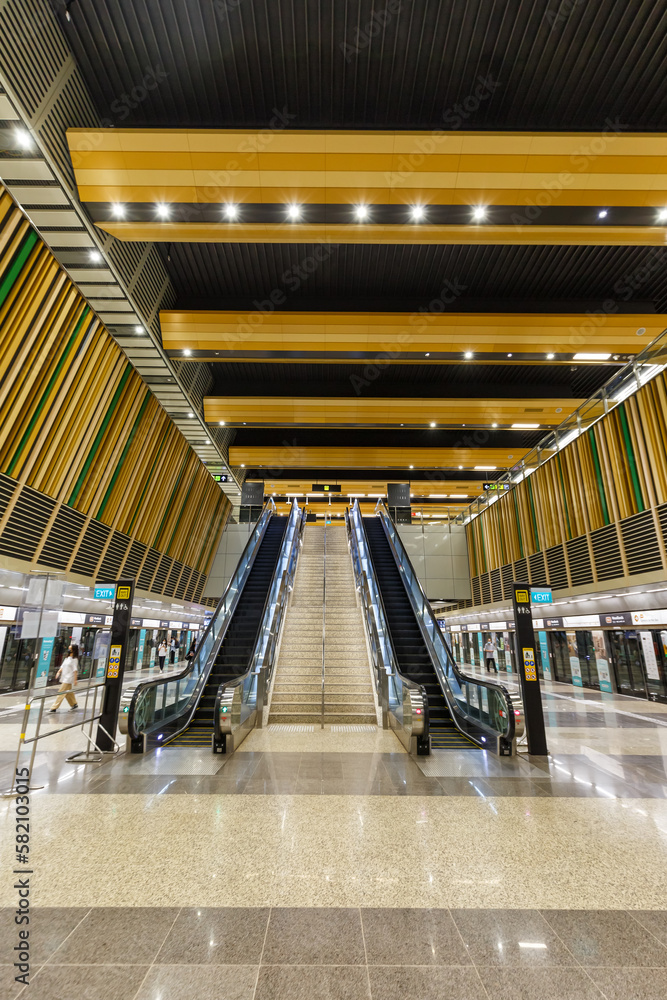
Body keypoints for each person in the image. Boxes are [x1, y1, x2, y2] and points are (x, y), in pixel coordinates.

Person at [49, 644, 79, 712]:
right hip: (64, 677)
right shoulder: (67, 658)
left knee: (61, 692)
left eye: (70, 649)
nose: (68, 650)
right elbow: (62, 666)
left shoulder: (74, 660)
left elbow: (75, 670)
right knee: (68, 693)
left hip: (68, 678)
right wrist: (58, 672)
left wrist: (75, 680)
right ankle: (74, 704)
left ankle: (54, 707)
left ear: (73, 650)